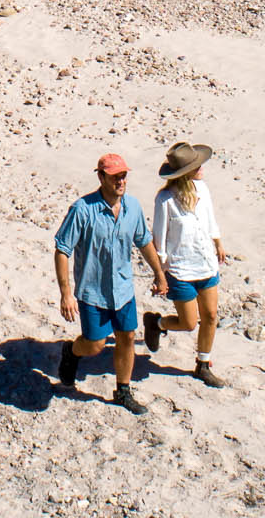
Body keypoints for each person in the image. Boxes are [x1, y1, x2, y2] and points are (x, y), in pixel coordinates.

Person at [53, 152, 168, 414]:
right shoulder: (82, 210)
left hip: (123, 289)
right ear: (101, 177)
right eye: (115, 176)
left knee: (127, 336)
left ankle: (123, 391)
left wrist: (159, 273)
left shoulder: (133, 208)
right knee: (94, 345)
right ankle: (72, 351)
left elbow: (143, 241)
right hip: (92, 292)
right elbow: (62, 250)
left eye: (124, 175)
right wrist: (66, 294)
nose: (121, 181)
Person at [142, 141, 228, 387]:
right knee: (189, 323)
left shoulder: (203, 189)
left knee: (210, 315)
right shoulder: (165, 199)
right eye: (195, 165)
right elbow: (158, 237)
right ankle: (156, 323)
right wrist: (159, 274)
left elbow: (210, 219)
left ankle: (203, 364)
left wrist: (218, 243)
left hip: (206, 263)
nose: (201, 167)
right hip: (180, 269)